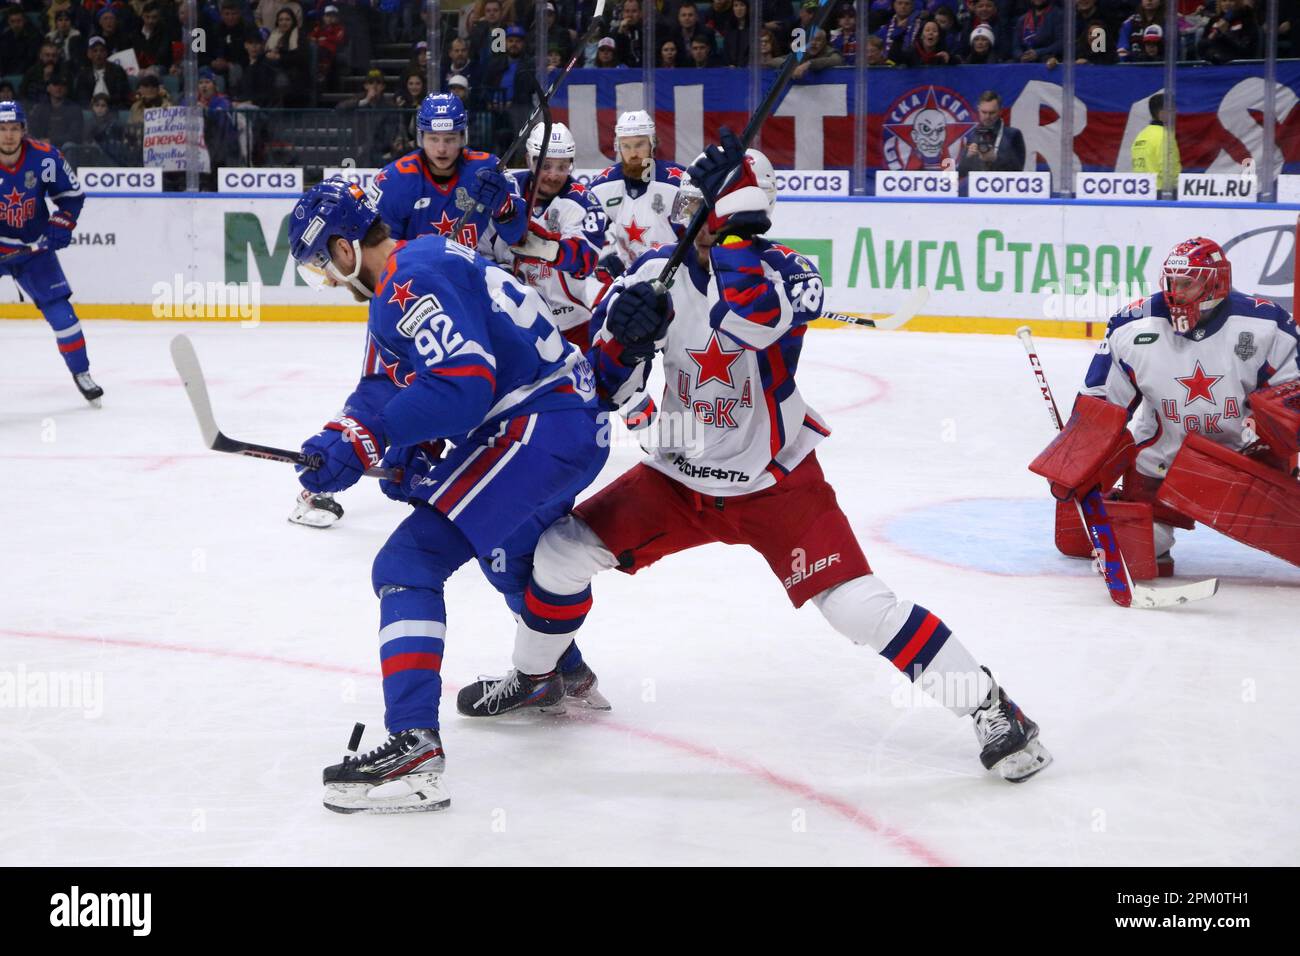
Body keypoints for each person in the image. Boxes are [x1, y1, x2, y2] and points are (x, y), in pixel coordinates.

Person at [456, 131, 1053, 785]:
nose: (699, 227)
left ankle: (995, 709)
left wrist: (735, 223)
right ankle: (538, 678)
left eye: (715, 215)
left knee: (860, 609)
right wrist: (621, 345)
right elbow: (603, 388)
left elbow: (753, 317)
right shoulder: (648, 275)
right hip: (678, 475)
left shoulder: (786, 273)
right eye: (695, 213)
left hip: (773, 483)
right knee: (560, 555)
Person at [285, 179, 609, 813]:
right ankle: (559, 674)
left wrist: (376, 441)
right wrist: (346, 436)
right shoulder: (420, 260)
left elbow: (462, 387)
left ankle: (413, 750)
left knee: (408, 564)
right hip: (563, 420)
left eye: (323, 263)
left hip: (537, 426)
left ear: (347, 248)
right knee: (508, 550)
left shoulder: (405, 285)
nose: (325, 279)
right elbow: (384, 387)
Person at [287, 92, 527, 529]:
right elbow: (374, 243)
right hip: (408, 299)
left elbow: (519, 232)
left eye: (451, 138)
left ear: (463, 137)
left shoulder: (486, 170)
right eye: (433, 138)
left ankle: (466, 467)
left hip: (464, 296)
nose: (442, 147)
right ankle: (328, 480)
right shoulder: (396, 181)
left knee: (462, 388)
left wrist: (506, 204)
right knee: (395, 388)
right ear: (420, 136)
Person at [1029, 237, 1299, 580]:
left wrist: (1281, 436)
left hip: (1246, 462)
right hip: (1162, 464)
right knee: (1135, 556)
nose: (1176, 292)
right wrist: (1075, 462)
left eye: (1188, 283)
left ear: (1216, 281)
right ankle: (1153, 533)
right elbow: (1099, 406)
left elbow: (1292, 398)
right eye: (1173, 282)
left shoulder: (1266, 324)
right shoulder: (1131, 326)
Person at [0, 100, 101, 405]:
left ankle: (81, 373)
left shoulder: (45, 158)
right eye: (2, 129)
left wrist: (62, 223)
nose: (8, 135)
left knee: (62, 314)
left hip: (34, 248)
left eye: (14, 128)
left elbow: (71, 197)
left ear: (23, 130)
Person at [493, 123, 609, 350]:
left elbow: (585, 261)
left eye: (562, 166)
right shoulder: (506, 190)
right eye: (545, 165)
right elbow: (483, 249)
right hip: (511, 321)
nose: (553, 175)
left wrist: (548, 249)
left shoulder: (584, 202)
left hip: (569, 323)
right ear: (529, 159)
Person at [588, 110, 686, 274]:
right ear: (617, 146)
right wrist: (610, 256)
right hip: (630, 276)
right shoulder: (603, 186)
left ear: (652, 143)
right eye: (626, 146)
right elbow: (587, 237)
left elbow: (695, 240)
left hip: (673, 275)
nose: (633, 154)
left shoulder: (678, 183)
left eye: (640, 144)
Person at [957, 90, 1025, 174]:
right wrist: (968, 156)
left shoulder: (1013, 135)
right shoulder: (974, 135)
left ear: (1000, 111)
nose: (987, 116)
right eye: (984, 112)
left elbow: (1018, 170)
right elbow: (961, 172)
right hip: (977, 185)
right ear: (978, 109)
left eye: (992, 113)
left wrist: (995, 159)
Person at [1130, 92, 1180, 191]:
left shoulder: (1141, 135)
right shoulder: (1165, 136)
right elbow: (1170, 171)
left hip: (1143, 193)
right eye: (1172, 110)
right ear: (1162, 113)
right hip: (1162, 194)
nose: (1176, 113)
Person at [27, 70, 83, 147]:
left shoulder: (74, 109)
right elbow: (32, 130)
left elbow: (75, 136)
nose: (59, 88)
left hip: (64, 147)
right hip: (42, 145)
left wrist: (52, 141)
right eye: (55, 84)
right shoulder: (40, 108)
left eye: (62, 85)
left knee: (69, 145)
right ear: (48, 88)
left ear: (66, 89)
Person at [75, 36, 131, 109]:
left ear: (106, 53)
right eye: (95, 51)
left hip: (113, 108)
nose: (98, 54)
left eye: (102, 50)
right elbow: (82, 97)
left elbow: (122, 93)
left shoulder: (117, 70)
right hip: (91, 109)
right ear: (89, 54)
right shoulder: (83, 74)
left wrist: (107, 101)